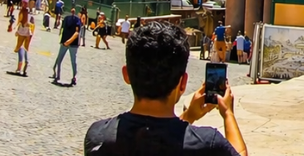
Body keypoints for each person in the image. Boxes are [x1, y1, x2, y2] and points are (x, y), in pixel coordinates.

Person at [84, 20, 247, 155]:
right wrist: (228, 114)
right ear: (182, 84)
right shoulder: (208, 144)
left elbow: (153, 140)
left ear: (127, 75)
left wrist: (188, 115)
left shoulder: (98, 136)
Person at [54, 5, 82, 86]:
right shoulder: (66, 18)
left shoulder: (77, 20)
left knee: (73, 61)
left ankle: (74, 77)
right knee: (59, 59)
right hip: (64, 42)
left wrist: (69, 41)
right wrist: (62, 40)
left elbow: (77, 33)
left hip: (72, 44)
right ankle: (57, 75)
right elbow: (62, 29)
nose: (72, 10)